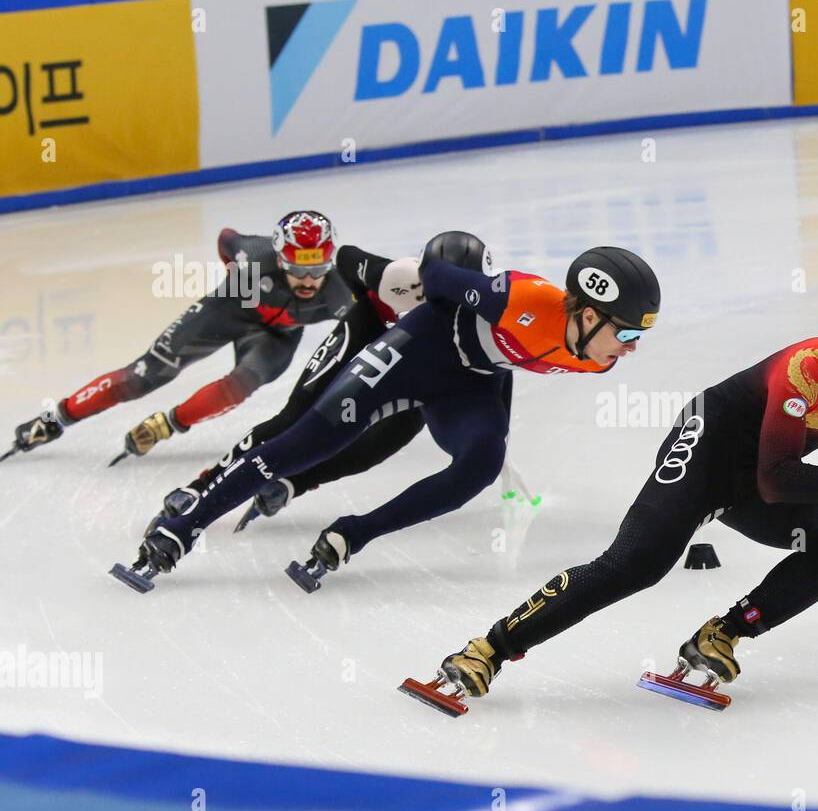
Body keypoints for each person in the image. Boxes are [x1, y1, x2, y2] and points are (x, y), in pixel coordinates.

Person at [421, 278, 818, 710]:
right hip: (708, 452)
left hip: (762, 474)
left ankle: (722, 634)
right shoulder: (806, 375)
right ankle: (488, 649)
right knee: (635, 565)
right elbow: (777, 478)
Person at [110, 245, 661, 593]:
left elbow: (513, 360)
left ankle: (352, 536)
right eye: (630, 333)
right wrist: (416, 279)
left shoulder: (599, 354)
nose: (632, 348)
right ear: (588, 314)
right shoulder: (521, 298)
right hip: (416, 348)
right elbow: (440, 275)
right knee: (307, 441)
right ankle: (179, 529)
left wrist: (497, 425)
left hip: (468, 381)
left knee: (479, 465)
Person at [147, 231, 494, 533]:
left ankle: (293, 482)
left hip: (417, 358)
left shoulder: (486, 314)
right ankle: (201, 487)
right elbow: (346, 258)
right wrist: (364, 304)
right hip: (370, 327)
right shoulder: (398, 276)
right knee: (296, 416)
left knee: (380, 444)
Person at [5, 211, 353, 465]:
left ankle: (166, 425)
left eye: (318, 268)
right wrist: (237, 282)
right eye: (298, 268)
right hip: (229, 309)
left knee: (239, 386)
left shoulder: (339, 294)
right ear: (279, 259)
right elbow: (225, 239)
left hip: (277, 338)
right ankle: (56, 418)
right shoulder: (254, 255)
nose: (308, 280)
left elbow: (367, 330)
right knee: (141, 377)